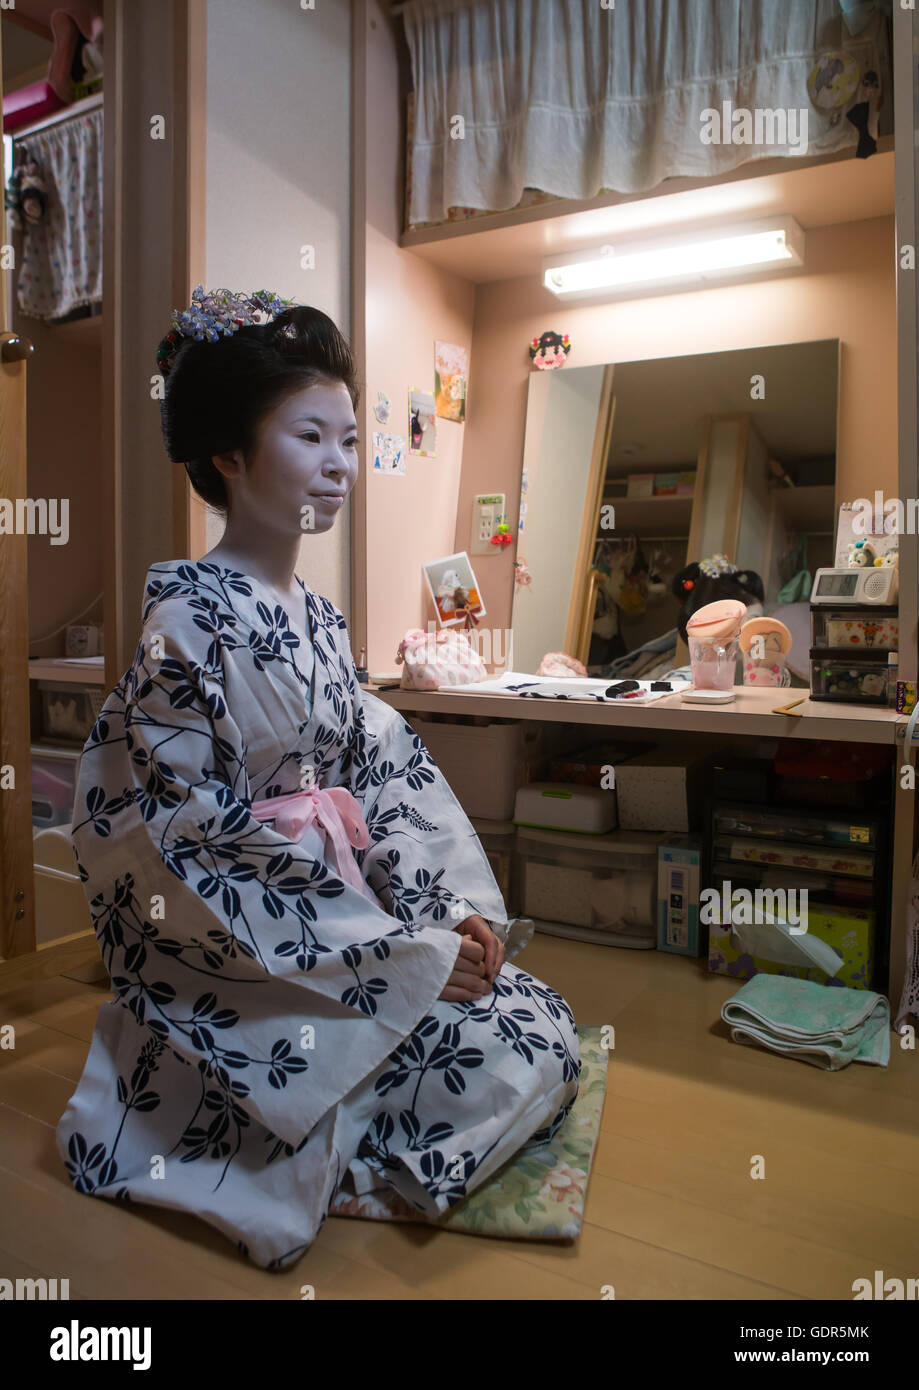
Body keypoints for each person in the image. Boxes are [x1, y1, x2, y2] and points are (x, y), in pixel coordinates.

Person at [55, 289, 581, 1270]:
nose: (340, 465)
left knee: (535, 1022)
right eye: (312, 435)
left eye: (348, 438)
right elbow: (181, 840)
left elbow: (385, 780)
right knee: (495, 1061)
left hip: (357, 923)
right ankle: (323, 1137)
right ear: (228, 455)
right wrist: (396, 954)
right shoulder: (188, 624)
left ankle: (372, 1115)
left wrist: (441, 921)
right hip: (255, 958)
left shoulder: (322, 623)